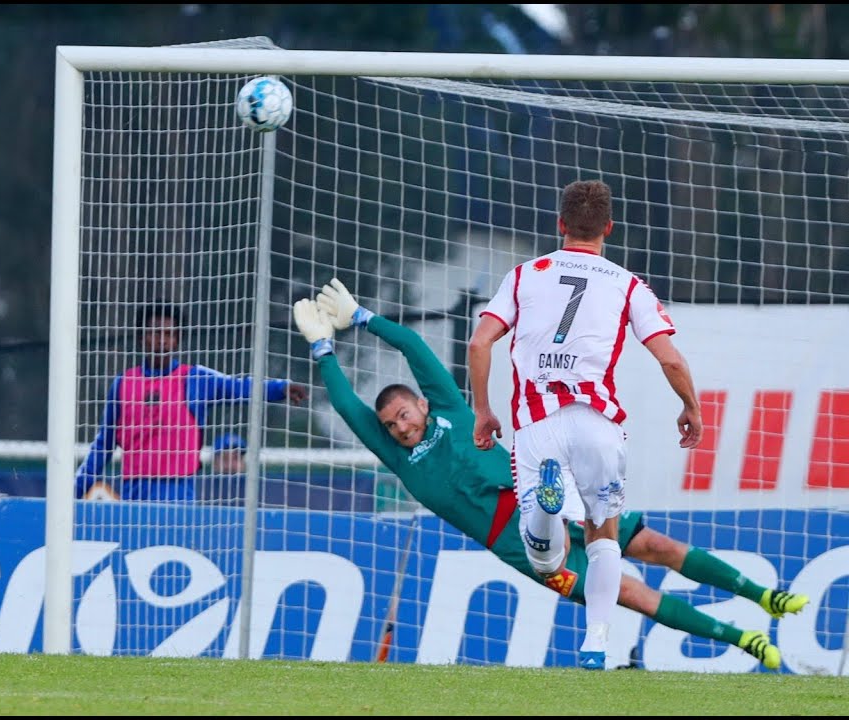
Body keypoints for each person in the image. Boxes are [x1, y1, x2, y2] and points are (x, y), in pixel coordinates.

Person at [292, 277, 807, 672]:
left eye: (404, 414)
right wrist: (322, 349)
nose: (400, 427)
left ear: (422, 404)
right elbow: (345, 403)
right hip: (516, 543)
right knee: (627, 593)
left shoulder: (449, 406)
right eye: (391, 425)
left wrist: (361, 317)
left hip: (541, 493)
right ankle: (745, 640)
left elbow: (411, 344)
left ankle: (765, 597)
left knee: (659, 547)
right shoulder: (399, 456)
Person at [466, 179, 707, 669]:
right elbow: (671, 359)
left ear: (561, 225)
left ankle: (545, 514)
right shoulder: (627, 284)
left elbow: (478, 344)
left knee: (545, 561)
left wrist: (483, 410)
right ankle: (596, 642)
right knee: (604, 538)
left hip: (538, 421)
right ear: (609, 229)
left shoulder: (523, 276)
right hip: (598, 423)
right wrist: (690, 407)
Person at [75, 302, 308, 503]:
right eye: (155, 333)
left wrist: (280, 388)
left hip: (176, 494)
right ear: (141, 337)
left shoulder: (195, 379)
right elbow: (103, 445)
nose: (161, 341)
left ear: (177, 340)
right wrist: (75, 491)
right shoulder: (123, 383)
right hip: (132, 493)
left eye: (168, 334)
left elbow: (239, 387)